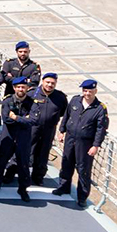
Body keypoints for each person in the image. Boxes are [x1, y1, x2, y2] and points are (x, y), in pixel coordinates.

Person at [53, 79, 109, 207]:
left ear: (95, 91)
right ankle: (63, 187)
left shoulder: (100, 108)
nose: (87, 93)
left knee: (83, 170)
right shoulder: (75, 101)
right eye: (85, 91)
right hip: (70, 138)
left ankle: (82, 197)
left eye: (90, 91)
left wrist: (95, 145)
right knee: (66, 164)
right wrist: (62, 131)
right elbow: (67, 116)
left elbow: (101, 129)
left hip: (85, 143)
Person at [0, 77, 36, 202]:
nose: (21, 89)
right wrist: (23, 119)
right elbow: (6, 119)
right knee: (0, 162)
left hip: (23, 138)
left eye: (23, 87)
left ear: (27, 88)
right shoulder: (7, 101)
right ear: (14, 88)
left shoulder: (32, 103)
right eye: (18, 87)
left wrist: (16, 118)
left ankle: (23, 189)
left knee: (23, 164)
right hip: (8, 136)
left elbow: (33, 121)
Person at [29, 73, 67, 185]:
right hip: (32, 128)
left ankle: (38, 177)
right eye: (48, 82)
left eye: (52, 83)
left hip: (49, 129)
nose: (50, 85)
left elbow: (63, 113)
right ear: (43, 81)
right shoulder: (32, 94)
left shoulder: (60, 97)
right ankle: (16, 172)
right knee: (26, 150)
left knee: (43, 153)